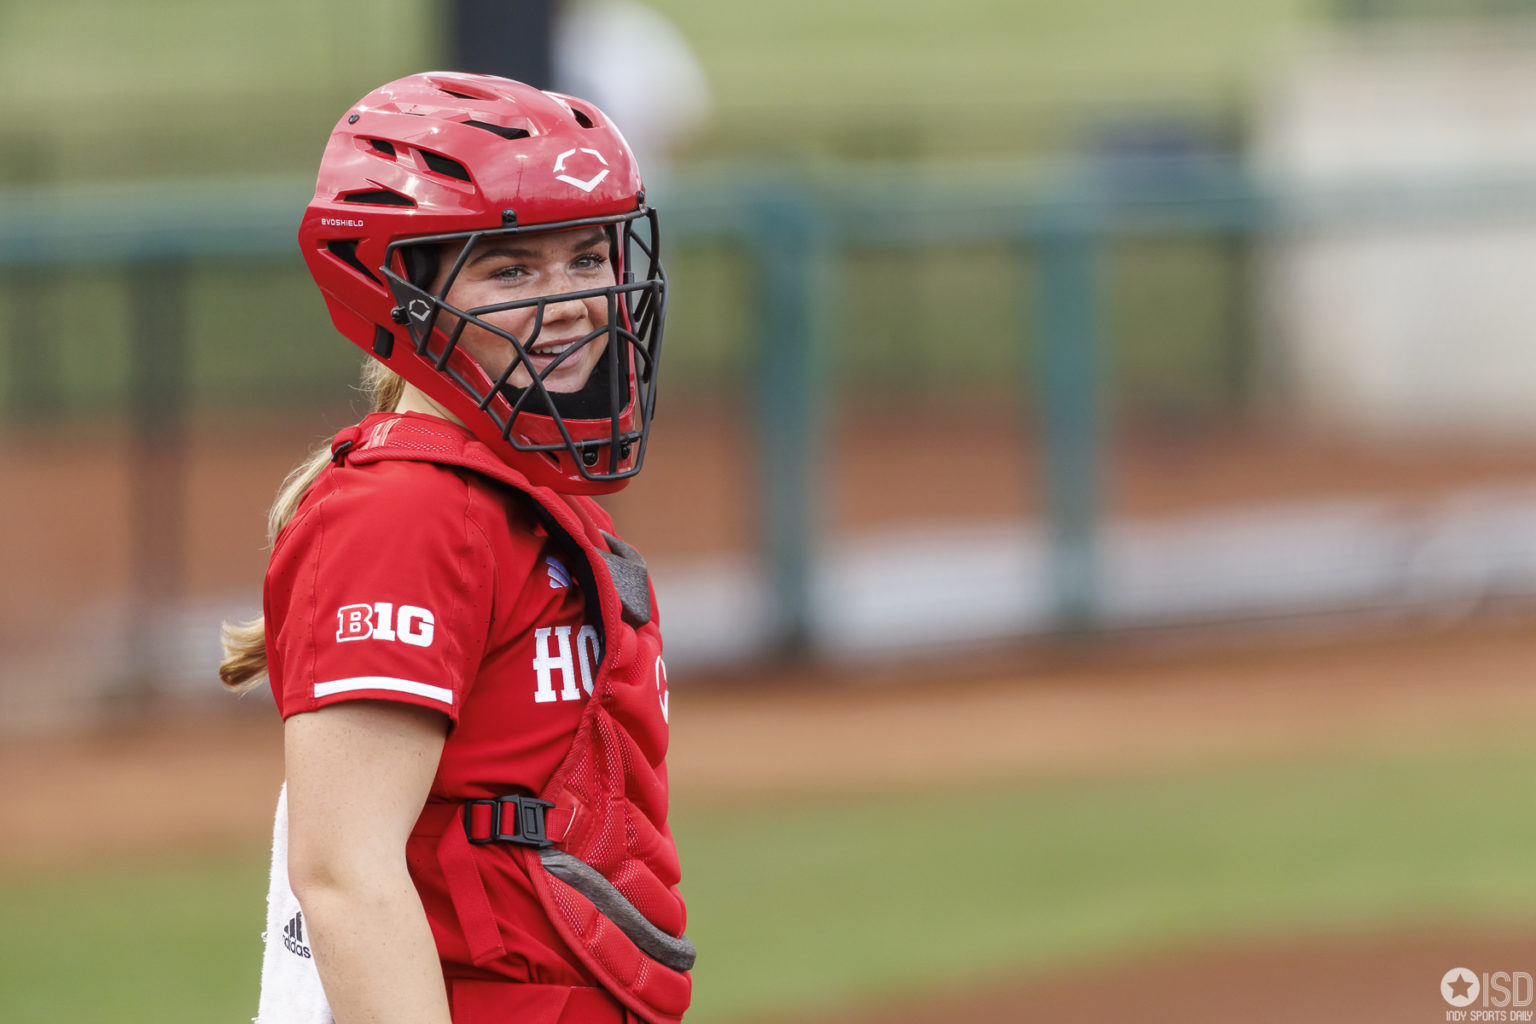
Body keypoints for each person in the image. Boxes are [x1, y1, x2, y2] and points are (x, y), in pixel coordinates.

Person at [219, 71, 694, 1024]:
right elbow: (346, 876)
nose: (568, 302)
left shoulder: (530, 495)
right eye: (511, 269)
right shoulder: (406, 510)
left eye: (586, 257)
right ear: (405, 295)